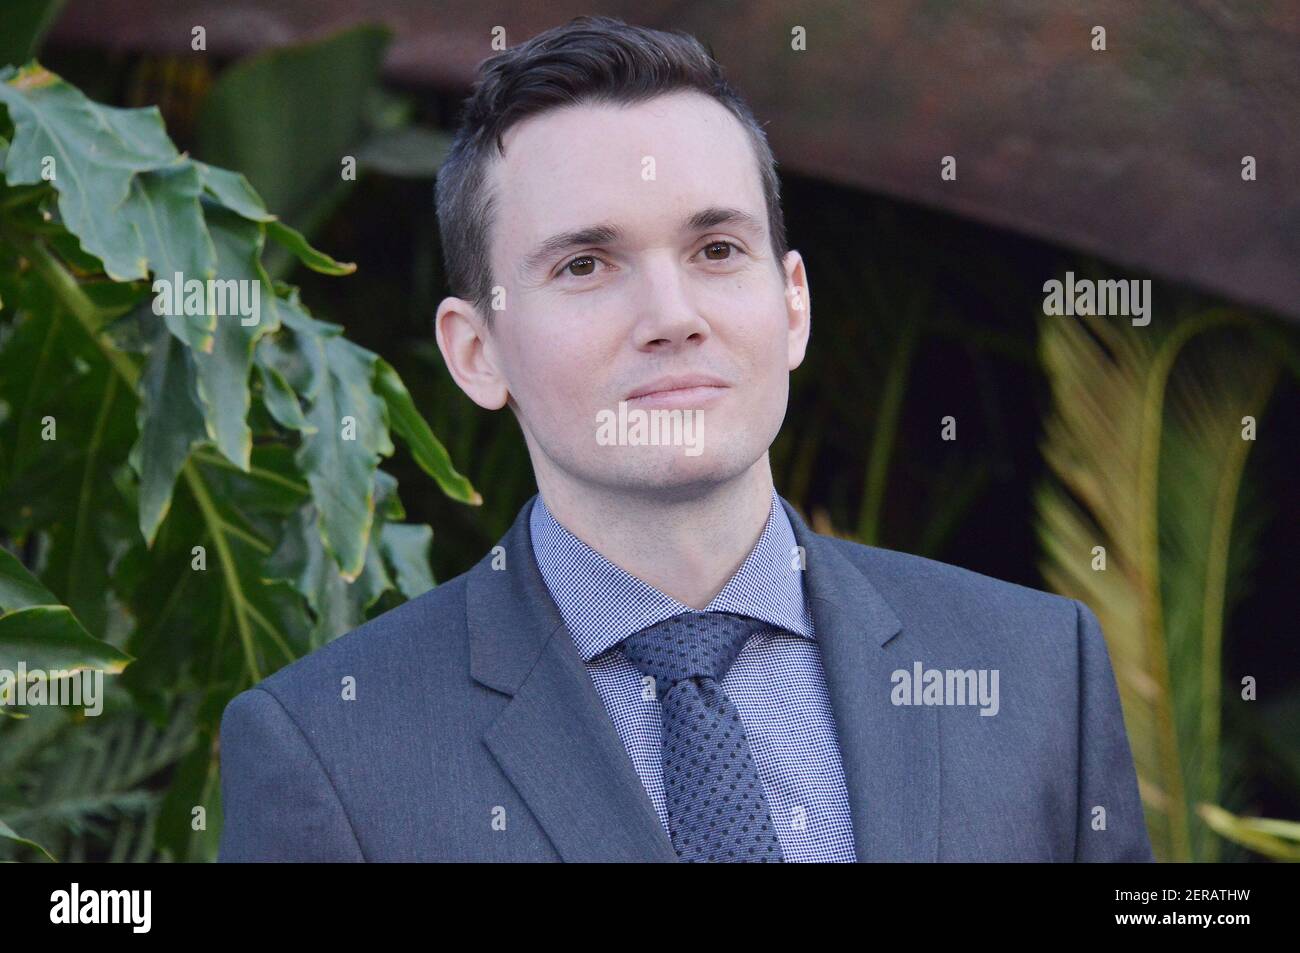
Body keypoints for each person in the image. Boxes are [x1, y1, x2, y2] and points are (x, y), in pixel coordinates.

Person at [219, 15, 1152, 862]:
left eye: (716, 250)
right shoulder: (331, 753)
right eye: (586, 264)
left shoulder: (1037, 672)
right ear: (477, 351)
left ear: (792, 304)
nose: (672, 316)